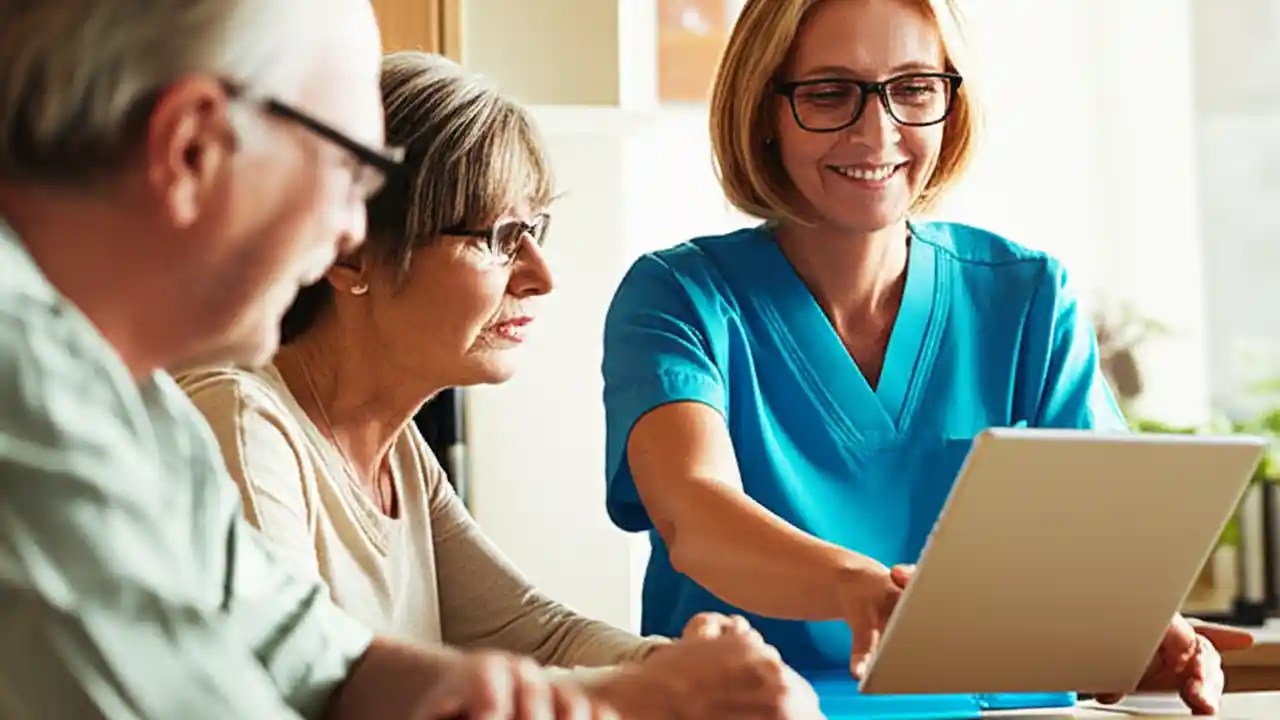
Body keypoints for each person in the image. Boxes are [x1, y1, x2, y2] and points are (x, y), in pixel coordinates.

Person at [599, 0, 1254, 716]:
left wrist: (1132, 635)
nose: (877, 131)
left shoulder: (1029, 296)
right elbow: (696, 516)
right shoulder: (680, 297)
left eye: (913, 89)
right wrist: (860, 589)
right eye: (828, 92)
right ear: (764, 110)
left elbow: (1098, 554)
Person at [0, 2, 618, 718]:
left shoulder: (138, 405)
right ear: (193, 147)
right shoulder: (26, 388)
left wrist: (446, 689)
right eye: (352, 171)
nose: (353, 228)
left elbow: (302, 648)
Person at [177, 51, 821, 720]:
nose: (541, 275)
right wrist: (664, 690)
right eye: (499, 237)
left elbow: (539, 635)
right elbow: (300, 694)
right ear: (349, 251)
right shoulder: (243, 425)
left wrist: (697, 671)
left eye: (535, 231)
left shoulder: (393, 451)